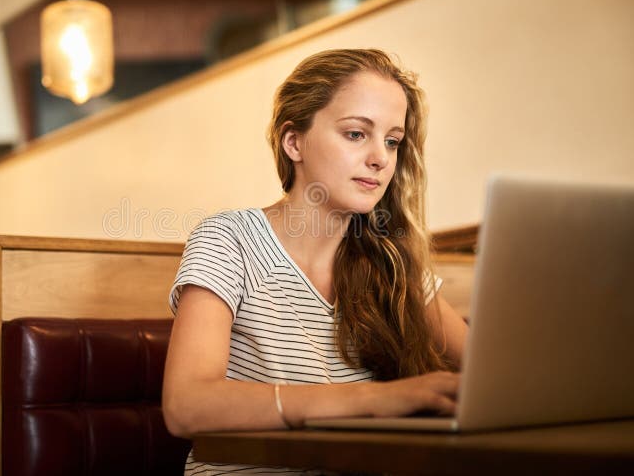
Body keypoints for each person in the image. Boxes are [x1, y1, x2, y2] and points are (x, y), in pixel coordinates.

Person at [163, 49, 469, 474]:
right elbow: (186, 407)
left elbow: (487, 368)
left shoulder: (392, 262)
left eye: (392, 140)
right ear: (294, 142)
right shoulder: (229, 239)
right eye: (356, 134)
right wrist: (377, 401)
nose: (381, 157)